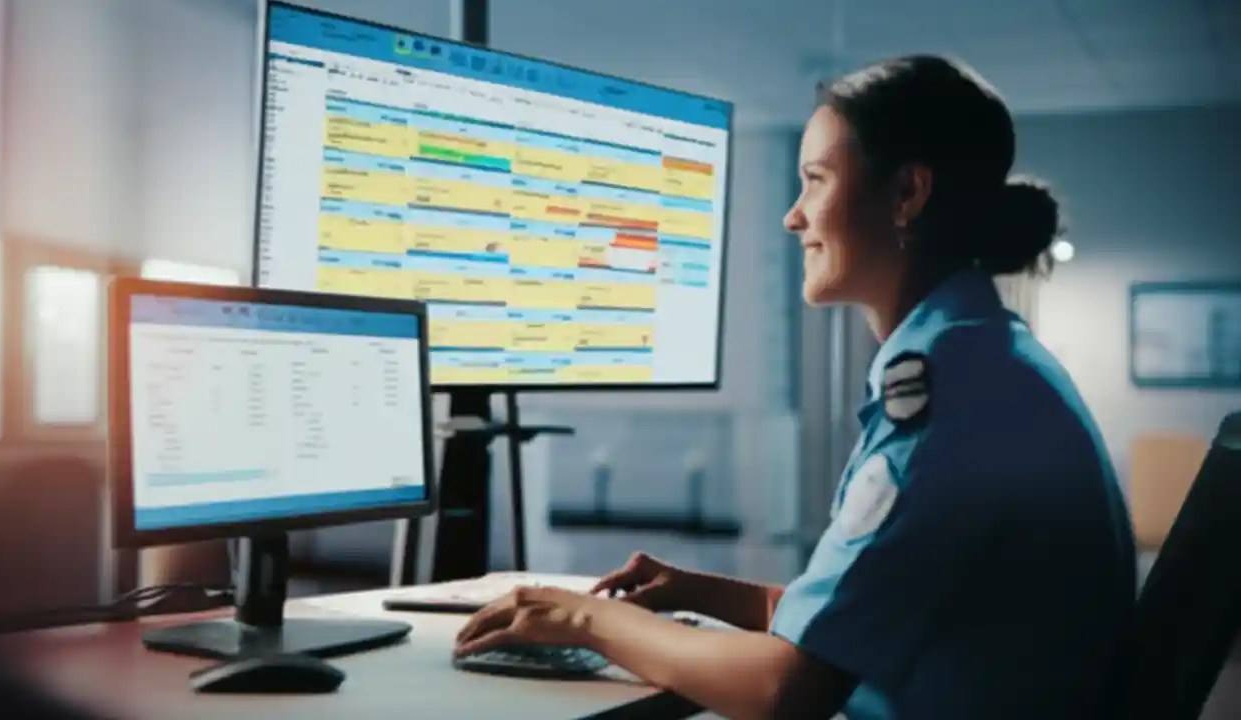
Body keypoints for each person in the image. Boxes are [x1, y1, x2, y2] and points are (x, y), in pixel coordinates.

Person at [453, 54, 1136, 720]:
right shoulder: (987, 355)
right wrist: (705, 593)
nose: (793, 216)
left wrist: (580, 617)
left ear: (906, 195)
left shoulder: (943, 396)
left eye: (814, 180)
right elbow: (877, 609)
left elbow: (787, 693)